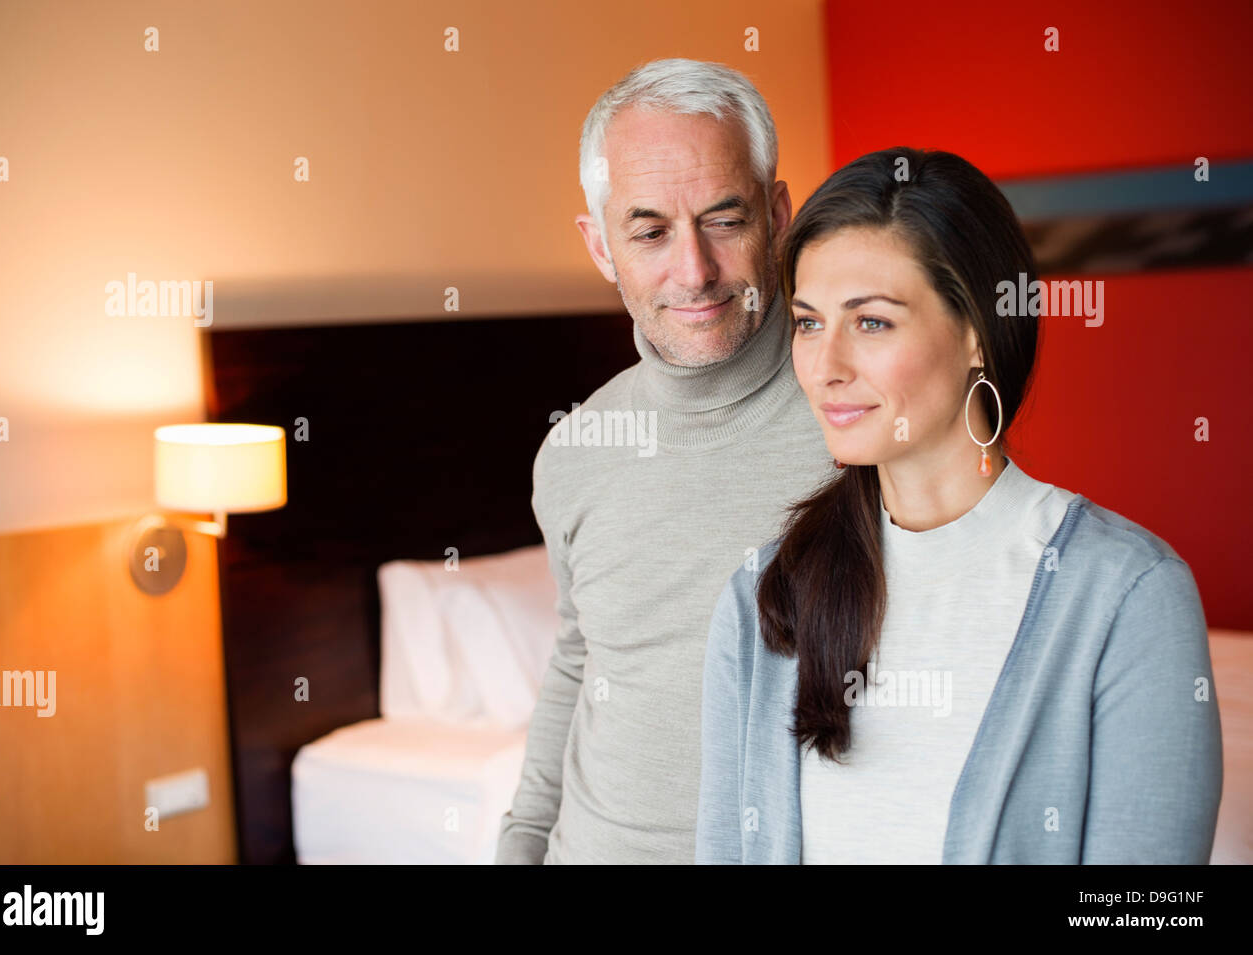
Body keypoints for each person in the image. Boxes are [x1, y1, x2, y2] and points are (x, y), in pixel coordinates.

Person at [696, 146, 1224, 864]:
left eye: (872, 321)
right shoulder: (763, 597)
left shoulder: (1129, 594)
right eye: (810, 322)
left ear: (976, 330)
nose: (826, 367)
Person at [494, 58, 833, 864]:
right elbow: (582, 655)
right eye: (649, 232)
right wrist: (521, 842)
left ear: (778, 215)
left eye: (724, 218)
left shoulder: (861, 413)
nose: (694, 270)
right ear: (601, 246)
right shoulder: (574, 450)